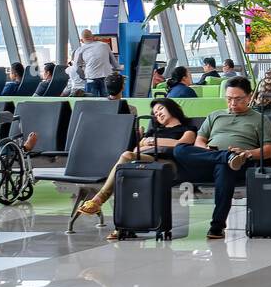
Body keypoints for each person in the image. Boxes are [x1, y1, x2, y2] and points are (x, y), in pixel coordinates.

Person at [172, 77, 271, 240]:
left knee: (225, 167)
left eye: (238, 99)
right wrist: (207, 151)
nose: (232, 103)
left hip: (239, 165)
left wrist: (246, 153)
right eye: (229, 99)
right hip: (209, 162)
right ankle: (226, 156)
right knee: (179, 149)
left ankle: (217, 225)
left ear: (249, 97)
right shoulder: (215, 115)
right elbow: (200, 140)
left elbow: (268, 151)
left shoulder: (260, 119)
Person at [77, 97, 197, 236]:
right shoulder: (154, 130)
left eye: (160, 109)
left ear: (171, 108)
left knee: (127, 158)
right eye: (156, 114)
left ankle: (99, 200)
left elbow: (181, 144)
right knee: (127, 178)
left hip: (169, 164)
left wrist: (152, 141)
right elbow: (136, 150)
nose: (158, 114)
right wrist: (148, 140)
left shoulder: (187, 128)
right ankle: (124, 226)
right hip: (149, 160)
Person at [72, 30, 116, 96]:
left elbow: (76, 68)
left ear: (81, 40)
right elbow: (113, 61)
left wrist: (84, 77)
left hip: (91, 77)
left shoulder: (80, 50)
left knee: (91, 101)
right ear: (93, 37)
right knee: (107, 100)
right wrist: (118, 68)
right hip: (106, 76)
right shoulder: (105, 45)